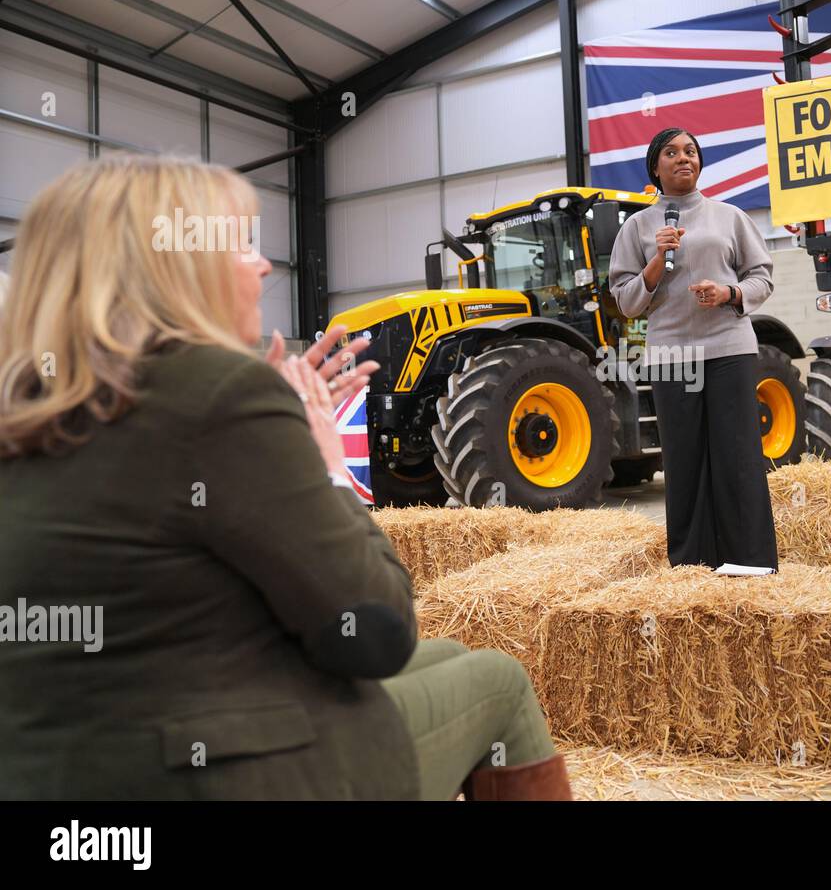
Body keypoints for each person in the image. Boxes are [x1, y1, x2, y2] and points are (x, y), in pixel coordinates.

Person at [0, 155, 569, 800]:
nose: (264, 266)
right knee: (496, 680)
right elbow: (374, 630)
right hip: (192, 776)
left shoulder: (35, 403)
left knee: (445, 657)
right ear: (176, 266)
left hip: (60, 773)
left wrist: (264, 435)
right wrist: (322, 459)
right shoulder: (215, 394)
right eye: (242, 245)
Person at [609, 128, 780, 571]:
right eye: (671, 152)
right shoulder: (638, 227)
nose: (683, 158)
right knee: (683, 461)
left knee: (738, 454)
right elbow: (627, 301)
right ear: (656, 167)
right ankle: (691, 565)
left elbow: (761, 276)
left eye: (690, 151)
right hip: (670, 357)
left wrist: (728, 293)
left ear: (699, 163)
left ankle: (749, 560)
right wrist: (654, 261)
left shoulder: (730, 216)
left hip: (728, 349)